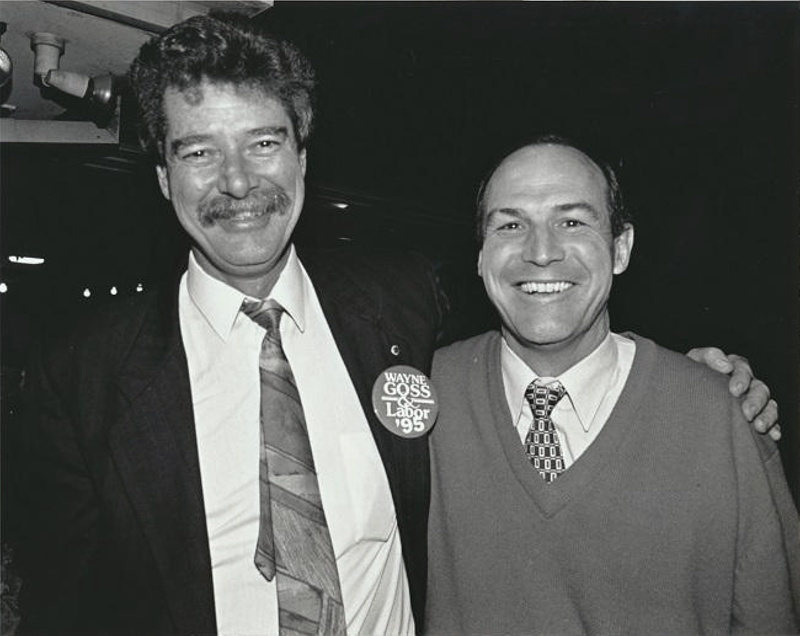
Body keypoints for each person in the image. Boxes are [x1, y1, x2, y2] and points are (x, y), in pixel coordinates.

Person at [17, 14, 777, 636]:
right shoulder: (80, 380)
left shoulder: (396, 308)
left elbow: (556, 320)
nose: (239, 181)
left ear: (303, 159)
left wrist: (706, 381)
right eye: (199, 152)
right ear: (163, 177)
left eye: (264, 142)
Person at [425, 136, 799, 634]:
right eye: (511, 224)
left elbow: (770, 616)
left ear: (620, 248)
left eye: (572, 222)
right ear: (480, 256)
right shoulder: (424, 395)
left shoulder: (719, 412)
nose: (540, 252)